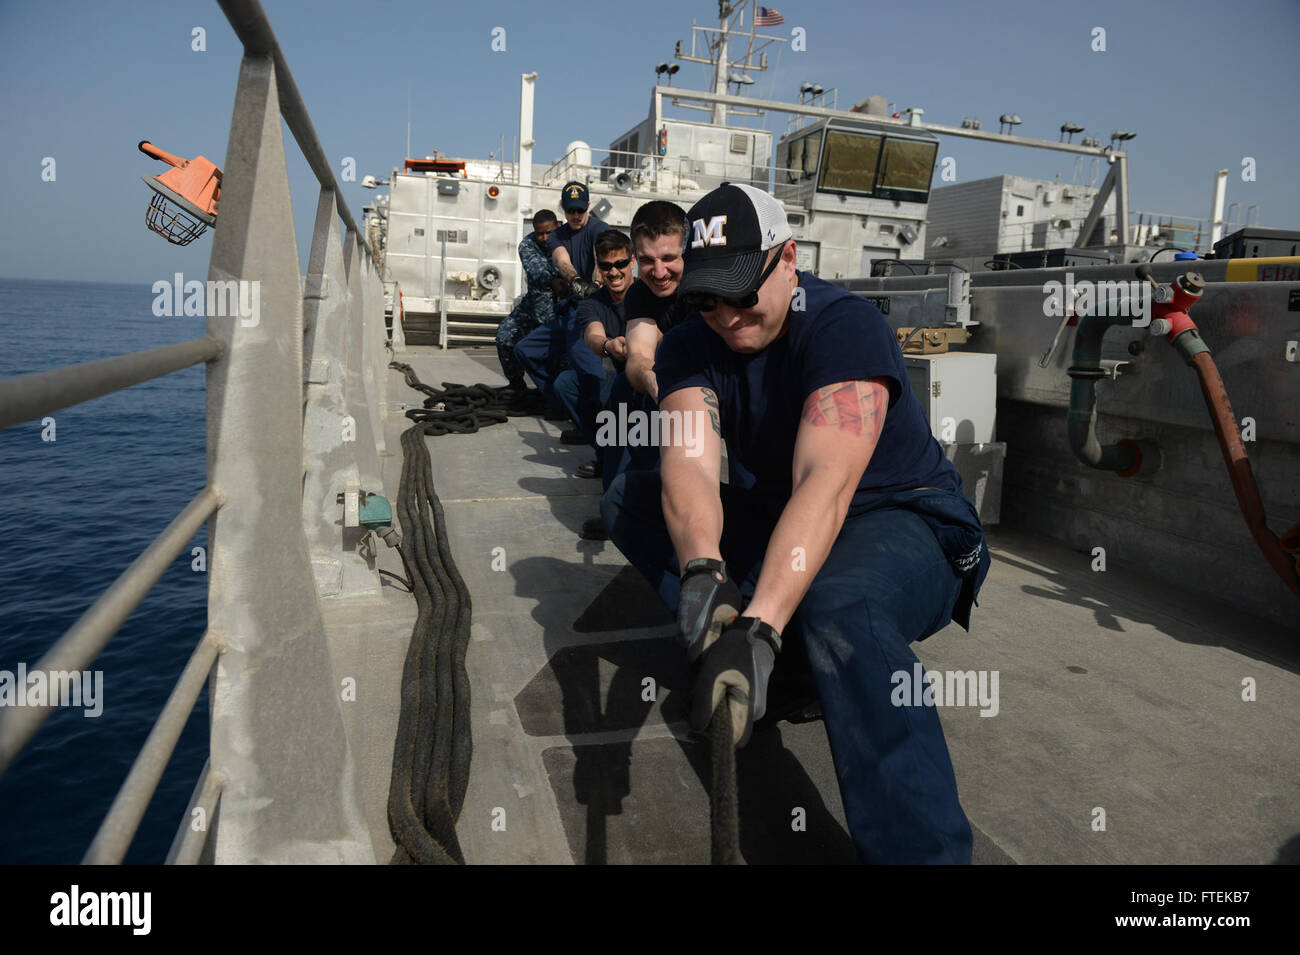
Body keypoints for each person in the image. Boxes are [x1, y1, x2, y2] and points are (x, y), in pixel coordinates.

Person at [600, 182, 992, 864]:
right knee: (630, 501)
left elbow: (828, 484)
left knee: (845, 602)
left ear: (788, 260)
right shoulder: (692, 341)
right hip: (791, 509)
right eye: (706, 296)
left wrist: (760, 623)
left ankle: (921, 853)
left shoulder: (843, 324)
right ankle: (792, 672)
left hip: (902, 515)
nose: (724, 314)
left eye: (741, 291)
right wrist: (703, 571)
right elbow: (689, 466)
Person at [552, 229, 634, 542]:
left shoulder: (647, 295)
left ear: (632, 261)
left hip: (660, 381)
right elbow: (593, 335)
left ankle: (617, 508)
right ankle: (606, 456)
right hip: (625, 376)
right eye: (606, 266)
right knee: (568, 384)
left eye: (621, 263)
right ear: (598, 266)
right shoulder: (593, 303)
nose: (614, 272)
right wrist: (609, 345)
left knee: (620, 410)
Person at [514, 181, 611, 418]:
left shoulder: (600, 229)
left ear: (588, 206)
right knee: (525, 350)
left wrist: (596, 284)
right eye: (571, 211)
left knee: (589, 368)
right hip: (569, 309)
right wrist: (576, 280)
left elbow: (601, 260)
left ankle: (593, 421)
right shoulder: (558, 235)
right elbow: (562, 260)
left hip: (592, 310)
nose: (576, 215)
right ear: (563, 209)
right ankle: (560, 403)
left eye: (580, 210)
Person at [495, 209, 560, 398]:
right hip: (534, 304)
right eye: (540, 233)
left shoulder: (567, 240)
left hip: (561, 307)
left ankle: (555, 393)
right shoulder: (527, 245)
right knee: (505, 336)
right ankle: (517, 385)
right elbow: (537, 271)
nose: (545, 237)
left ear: (557, 226)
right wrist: (555, 280)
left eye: (549, 232)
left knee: (560, 354)